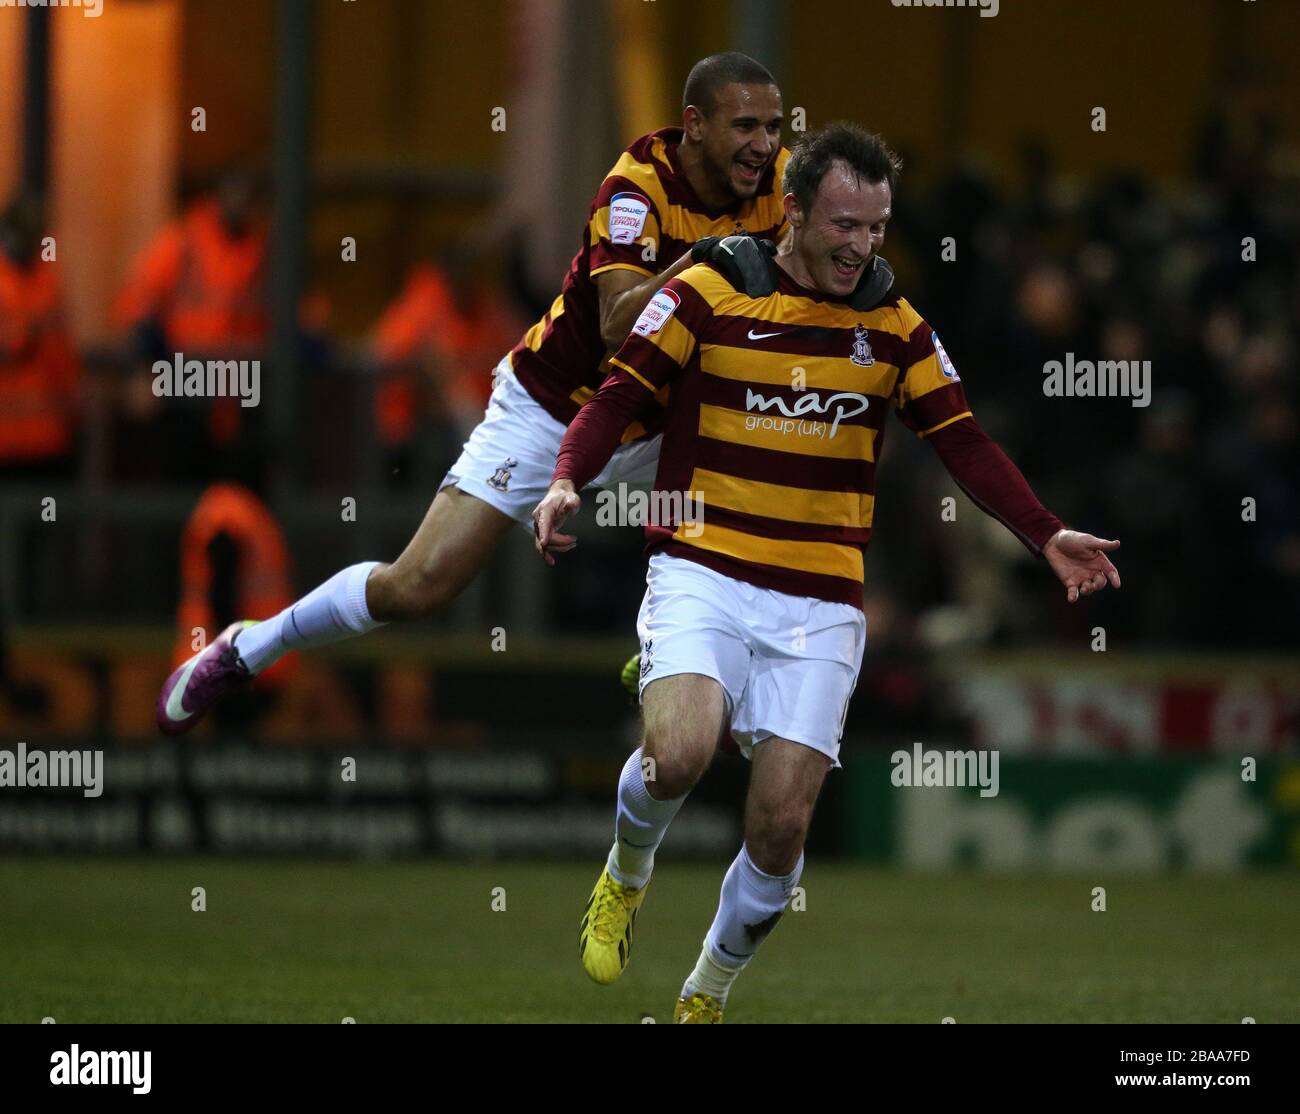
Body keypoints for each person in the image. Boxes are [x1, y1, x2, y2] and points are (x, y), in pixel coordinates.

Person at [533, 123, 1122, 1023]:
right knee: (678, 755)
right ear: (795, 212)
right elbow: (619, 395)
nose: (860, 246)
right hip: (704, 566)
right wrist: (570, 476)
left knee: (779, 825)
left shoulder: (896, 326)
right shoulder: (707, 287)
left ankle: (705, 994)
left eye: (877, 228)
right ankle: (626, 871)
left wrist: (1043, 535)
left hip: (819, 598)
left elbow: (961, 438)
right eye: (844, 224)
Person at [157, 52, 790, 734]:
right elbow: (615, 327)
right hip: (555, 409)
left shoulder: (783, 185)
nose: (763, 144)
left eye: (775, 127)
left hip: (667, 418)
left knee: (785, 471)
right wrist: (699, 261)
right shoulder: (637, 186)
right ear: (694, 125)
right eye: (745, 126)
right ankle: (250, 646)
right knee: (418, 585)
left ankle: (682, 655)